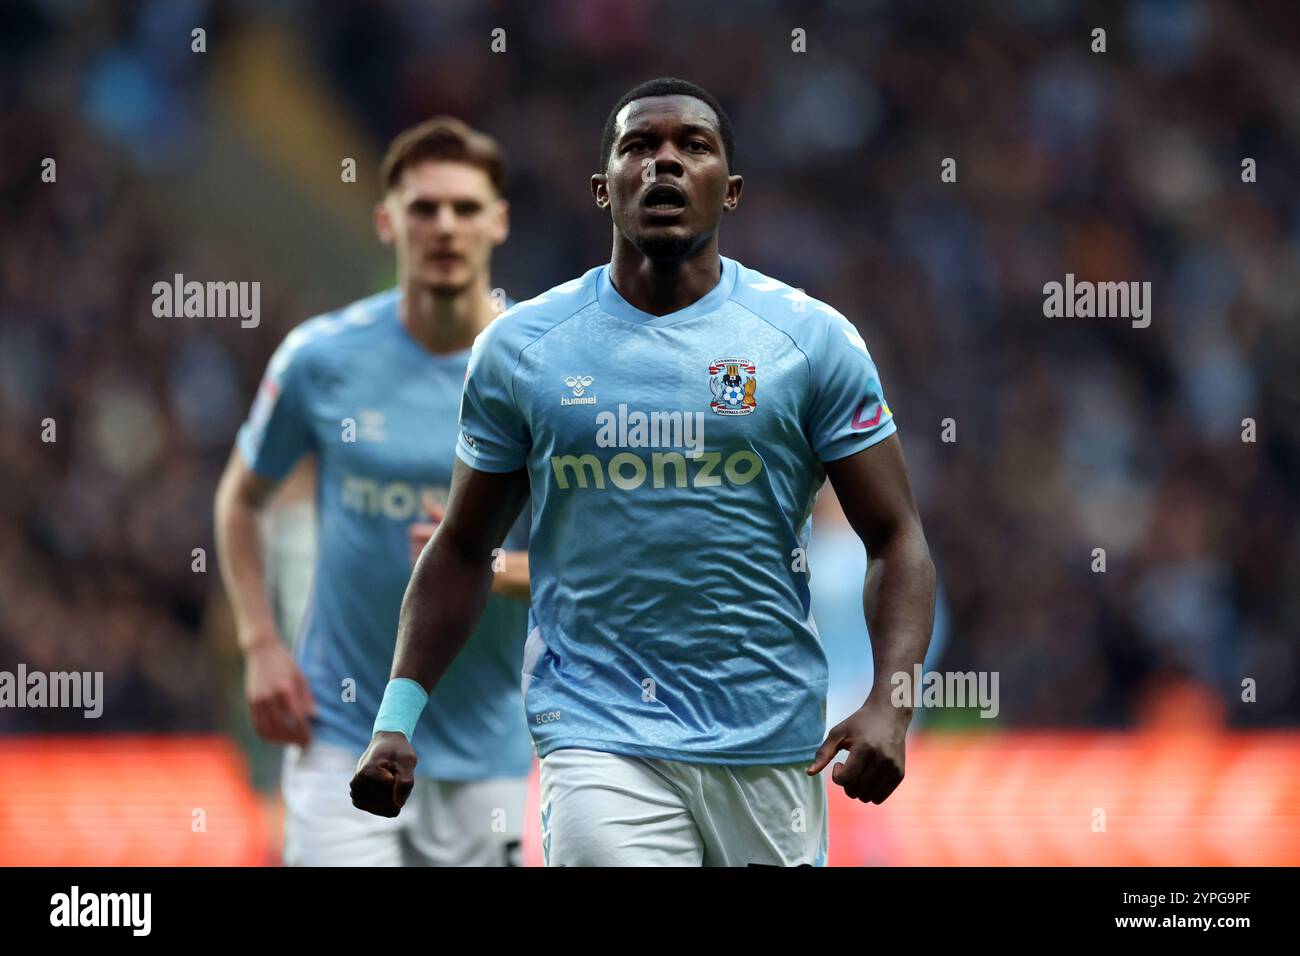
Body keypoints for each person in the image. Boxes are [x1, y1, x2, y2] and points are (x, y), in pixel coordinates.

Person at [351, 79, 936, 866]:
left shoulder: (810, 341)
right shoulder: (524, 350)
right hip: (597, 738)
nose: (664, 163)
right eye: (638, 147)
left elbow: (896, 538)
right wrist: (395, 717)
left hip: (768, 744)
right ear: (604, 188)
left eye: (692, 146)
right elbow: (460, 547)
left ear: (729, 189)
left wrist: (890, 706)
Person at [215, 116, 532, 866]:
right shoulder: (322, 358)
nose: (445, 226)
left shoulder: (541, 373)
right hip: (340, 734)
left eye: (464, 207)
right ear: (388, 221)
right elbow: (240, 497)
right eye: (424, 208)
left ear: (499, 221)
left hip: (488, 743)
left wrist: (489, 567)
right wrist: (259, 643)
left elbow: (597, 557)